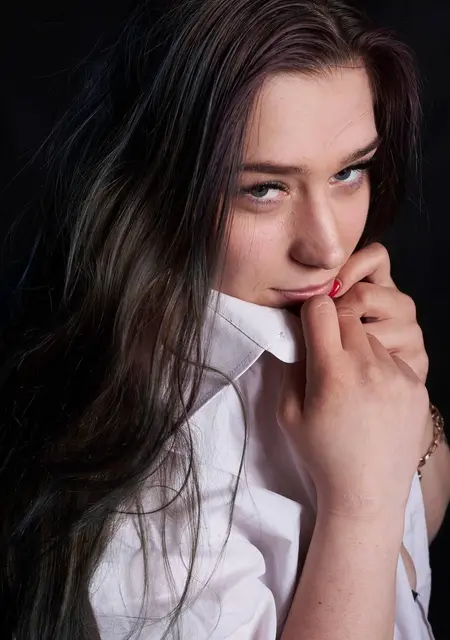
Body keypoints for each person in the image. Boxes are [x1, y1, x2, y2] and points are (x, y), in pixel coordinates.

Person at [1, 0, 449, 638]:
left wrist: (407, 400)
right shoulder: (151, 480)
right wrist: (360, 505)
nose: (326, 247)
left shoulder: (319, 326)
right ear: (158, 187)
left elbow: (413, 554)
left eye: (349, 172)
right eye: (264, 188)